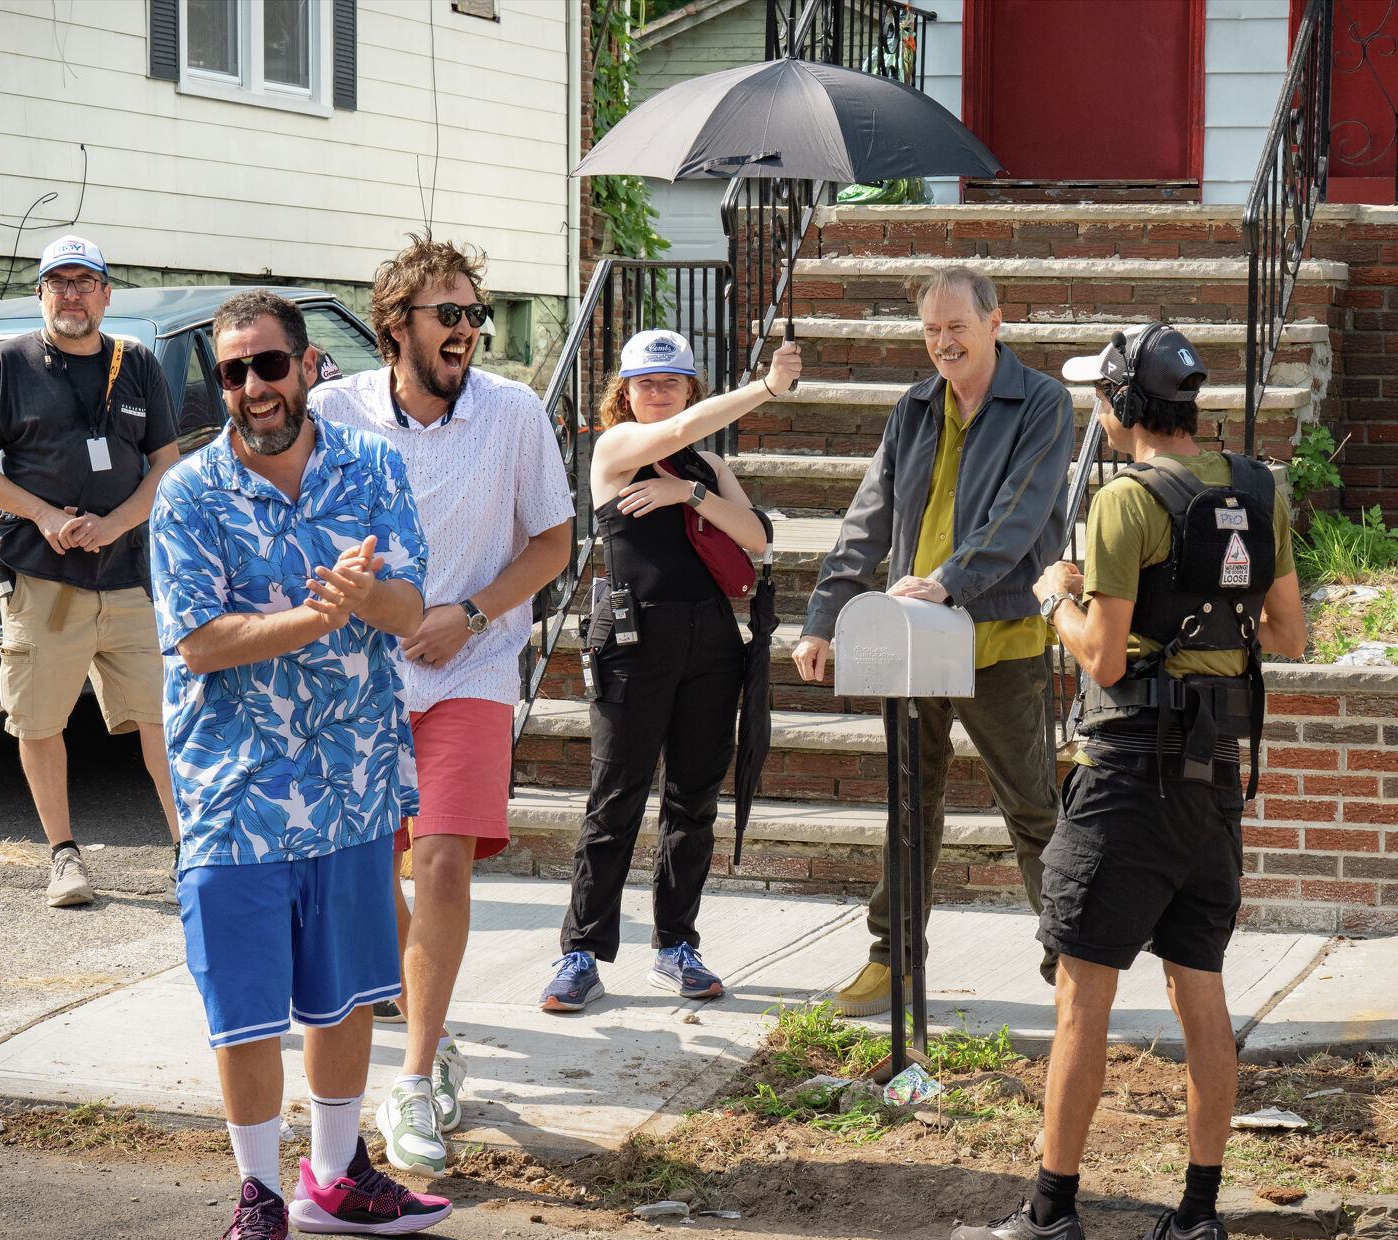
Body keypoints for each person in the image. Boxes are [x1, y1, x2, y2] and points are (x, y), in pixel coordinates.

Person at [950, 325, 1306, 1240]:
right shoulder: (1258, 487)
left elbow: (1103, 656)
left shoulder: (1125, 498)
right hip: (1215, 773)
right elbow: (1290, 632)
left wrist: (1051, 598)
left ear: (1118, 406)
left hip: (1127, 775)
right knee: (1202, 992)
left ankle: (1051, 1213)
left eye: (1096, 400)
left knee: (1083, 996)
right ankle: (1196, 1216)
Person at [151, 289, 452, 1240]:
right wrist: (320, 620)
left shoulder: (371, 468)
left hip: (352, 782)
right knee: (243, 1008)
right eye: (230, 372)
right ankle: (258, 1194)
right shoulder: (189, 494)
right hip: (234, 793)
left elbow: (409, 604)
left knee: (346, 994)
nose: (249, 388)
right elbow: (198, 642)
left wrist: (363, 596)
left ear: (309, 364)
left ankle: (333, 1176)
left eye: (266, 365)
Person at [307, 236, 573, 1177]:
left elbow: (552, 541)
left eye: (474, 315)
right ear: (396, 327)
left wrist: (468, 615)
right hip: (359, 677)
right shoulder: (333, 411)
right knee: (367, 869)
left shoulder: (512, 412)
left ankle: (413, 1077)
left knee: (446, 861)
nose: (466, 330)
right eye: (447, 314)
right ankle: (432, 1023)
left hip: (469, 665)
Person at [792, 264, 1067, 1016]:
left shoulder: (1042, 402)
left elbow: (1020, 515)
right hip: (916, 637)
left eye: (957, 327)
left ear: (995, 322)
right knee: (910, 805)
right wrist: (824, 614)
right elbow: (867, 517)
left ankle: (1070, 965)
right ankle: (893, 960)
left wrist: (949, 578)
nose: (943, 343)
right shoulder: (912, 408)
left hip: (1000, 633)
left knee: (1034, 809)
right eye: (931, 330)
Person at [540, 330, 798, 1013]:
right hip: (633, 637)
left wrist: (688, 493)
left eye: (671, 381)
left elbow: (758, 536)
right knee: (615, 796)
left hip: (710, 639)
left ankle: (675, 944)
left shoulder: (705, 465)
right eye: (644, 383)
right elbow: (675, 431)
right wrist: (767, 388)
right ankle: (580, 952)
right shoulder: (616, 447)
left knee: (693, 800)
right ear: (623, 392)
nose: (658, 393)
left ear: (691, 386)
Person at [0, 235, 181, 907]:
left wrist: (116, 524)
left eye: (86, 281)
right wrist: (46, 515)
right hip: (42, 579)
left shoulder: (135, 365)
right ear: (41, 293)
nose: (72, 293)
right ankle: (65, 857)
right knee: (39, 719)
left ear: (107, 294)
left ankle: (188, 854)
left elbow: (164, 464)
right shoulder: (8, 365)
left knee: (164, 716)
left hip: (129, 575)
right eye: (59, 282)